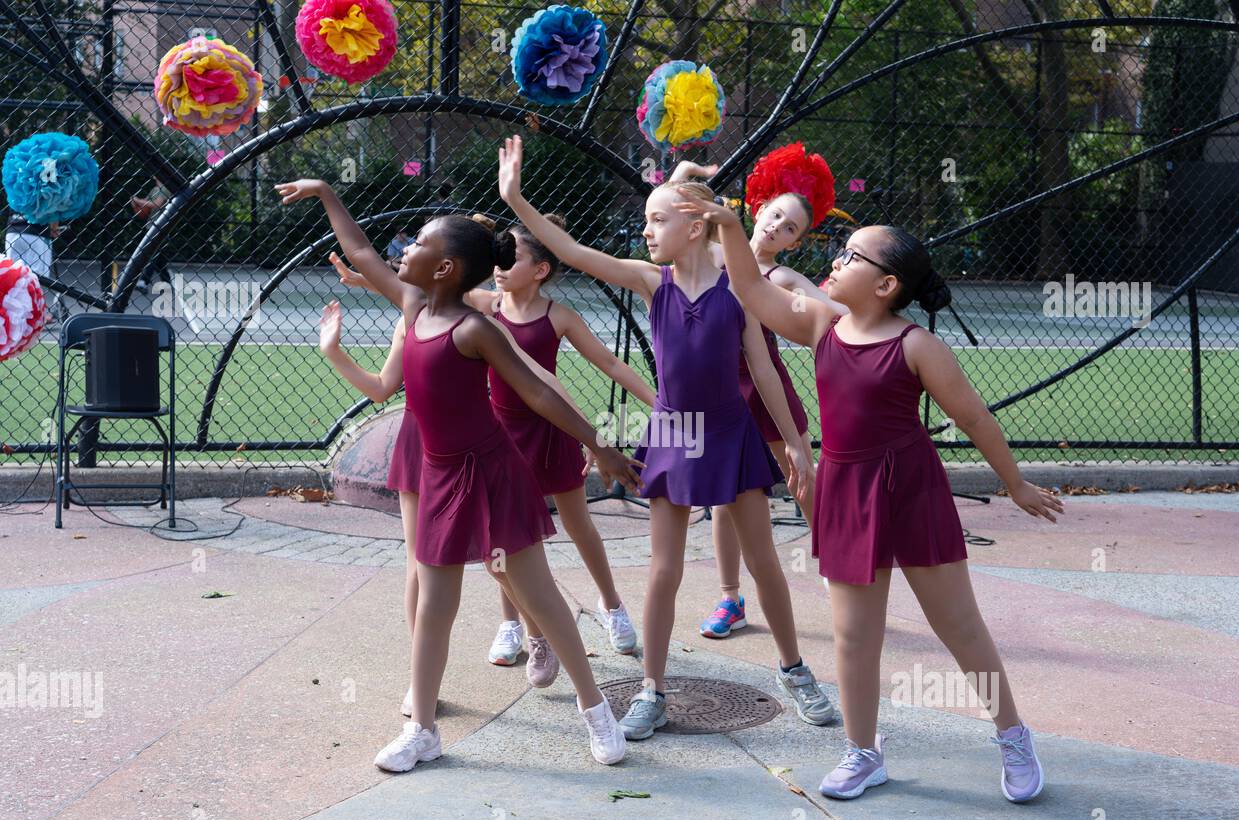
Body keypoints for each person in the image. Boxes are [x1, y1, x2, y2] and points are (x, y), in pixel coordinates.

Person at [682, 190, 1062, 802]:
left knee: (960, 626)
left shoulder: (916, 346)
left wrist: (1013, 482)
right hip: (846, 489)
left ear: (886, 286)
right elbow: (750, 291)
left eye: (853, 255)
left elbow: (974, 418)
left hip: (912, 489)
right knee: (854, 636)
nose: (837, 259)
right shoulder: (820, 322)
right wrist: (729, 225)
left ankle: (1013, 734)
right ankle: (863, 752)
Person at [277, 176, 644, 771]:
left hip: (493, 475)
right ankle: (423, 728)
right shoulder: (414, 305)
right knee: (435, 604)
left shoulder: (476, 330)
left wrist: (598, 446)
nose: (403, 251)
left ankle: (596, 710)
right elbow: (364, 253)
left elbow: (538, 395)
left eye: (417, 244)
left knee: (542, 601)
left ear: (445, 267)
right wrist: (327, 194)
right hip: (441, 477)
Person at [498, 134, 838, 740]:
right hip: (675, 431)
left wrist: (797, 445)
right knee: (663, 570)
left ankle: (795, 670)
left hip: (731, 433)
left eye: (658, 220)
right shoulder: (652, 282)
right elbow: (572, 252)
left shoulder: (741, 287)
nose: (647, 231)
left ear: (697, 223)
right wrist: (515, 198)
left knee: (765, 563)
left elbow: (762, 369)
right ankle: (653, 690)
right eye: (647, 220)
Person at [667, 161, 848, 640]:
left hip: (765, 386)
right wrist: (683, 169)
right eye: (775, 215)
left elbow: (833, 313)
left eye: (790, 228)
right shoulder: (708, 252)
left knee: (804, 482)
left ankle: (836, 571)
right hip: (718, 391)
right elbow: (667, 212)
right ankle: (730, 599)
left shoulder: (782, 277)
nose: (776, 228)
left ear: (794, 242)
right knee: (724, 502)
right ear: (757, 207)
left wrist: (869, 295)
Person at [130, 177, 171, 290]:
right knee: (159, 260)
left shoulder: (165, 189)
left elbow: (157, 204)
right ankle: (167, 283)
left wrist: (138, 200)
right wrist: (135, 204)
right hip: (151, 227)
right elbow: (144, 210)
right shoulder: (154, 190)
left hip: (162, 227)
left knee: (151, 255)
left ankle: (144, 281)